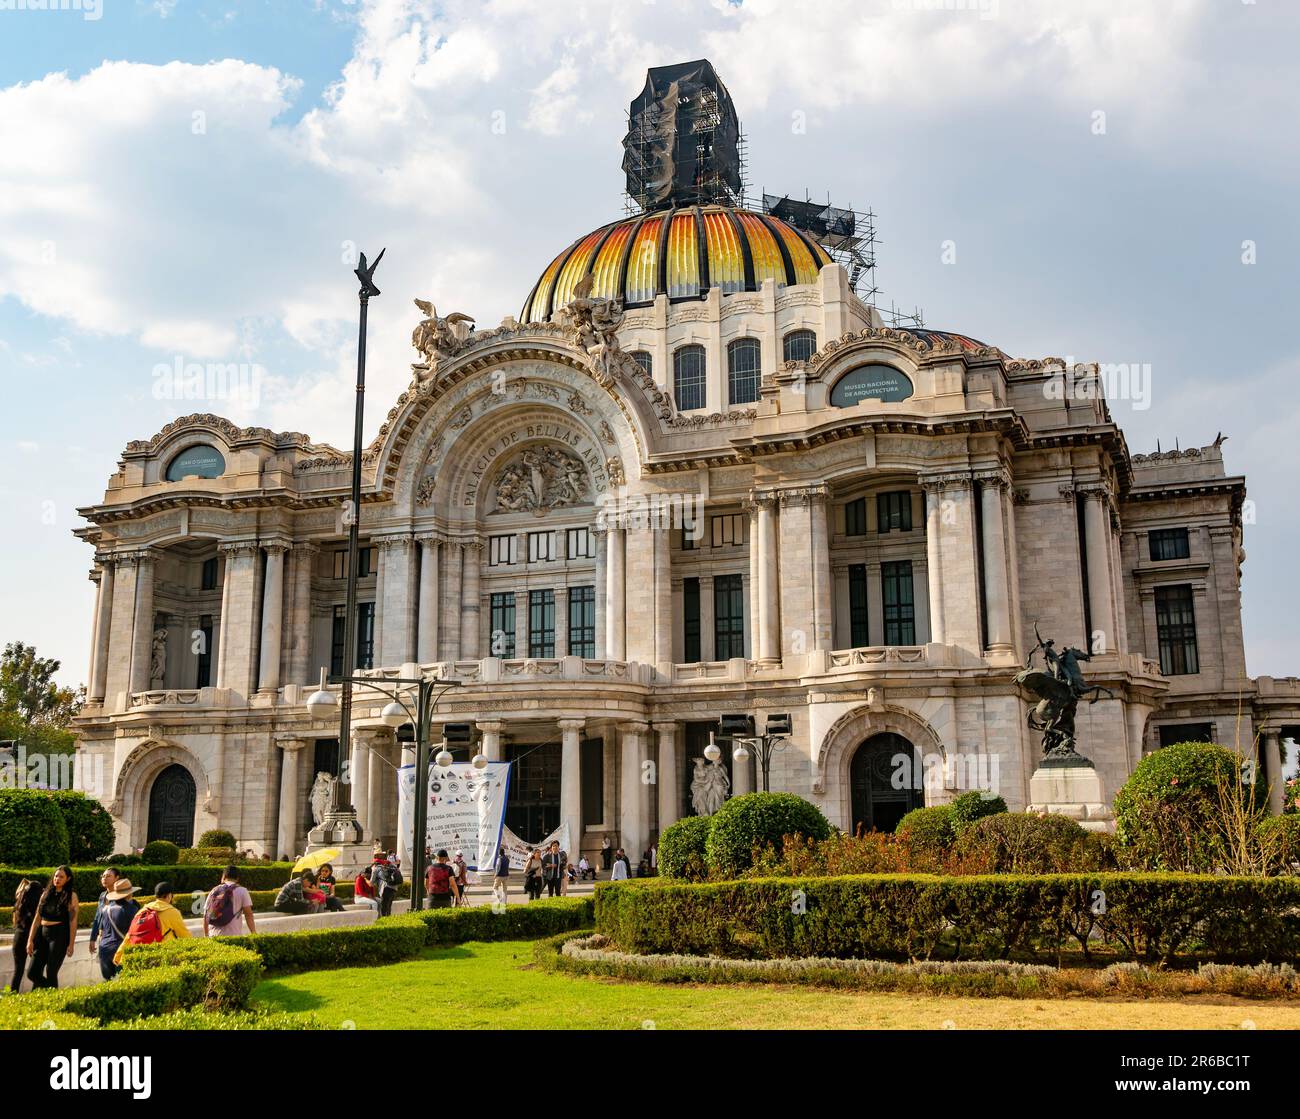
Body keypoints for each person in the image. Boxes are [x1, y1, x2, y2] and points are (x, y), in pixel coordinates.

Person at [113, 881, 190, 967]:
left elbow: (130, 935)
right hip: (162, 957)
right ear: (169, 895)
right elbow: (185, 935)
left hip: (142, 956)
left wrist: (118, 955)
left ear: (156, 896)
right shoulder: (172, 912)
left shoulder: (142, 910)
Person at [26, 865, 78, 989]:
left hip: (59, 935)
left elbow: (73, 922)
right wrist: (30, 940)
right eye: (56, 876)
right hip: (42, 934)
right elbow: (37, 919)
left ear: (68, 879)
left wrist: (71, 944)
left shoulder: (71, 896)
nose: (57, 879)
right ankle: (52, 992)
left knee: (51, 972)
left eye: (61, 876)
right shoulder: (45, 894)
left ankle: (51, 998)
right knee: (32, 973)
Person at [92, 877, 140, 980]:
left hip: (104, 949)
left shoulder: (105, 909)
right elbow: (135, 932)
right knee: (125, 983)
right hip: (121, 951)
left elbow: (103, 929)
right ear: (129, 894)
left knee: (109, 984)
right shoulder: (132, 909)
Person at [9, 876, 44, 992]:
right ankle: (35, 994)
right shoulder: (38, 907)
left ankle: (13, 995)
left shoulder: (19, 904)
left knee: (18, 971)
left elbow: (19, 891)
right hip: (34, 938)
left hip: (18, 936)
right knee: (36, 971)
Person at [203, 866, 256, 937]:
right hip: (233, 936)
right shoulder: (242, 891)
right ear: (237, 879)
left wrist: (206, 935)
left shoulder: (214, 890)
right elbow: (248, 915)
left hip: (214, 935)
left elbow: (206, 915)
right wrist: (254, 933)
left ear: (224, 876)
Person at [369, 851, 402, 917]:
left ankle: (384, 920)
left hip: (385, 888)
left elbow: (371, 883)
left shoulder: (376, 868)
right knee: (389, 905)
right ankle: (388, 919)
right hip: (394, 887)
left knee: (383, 907)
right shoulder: (390, 865)